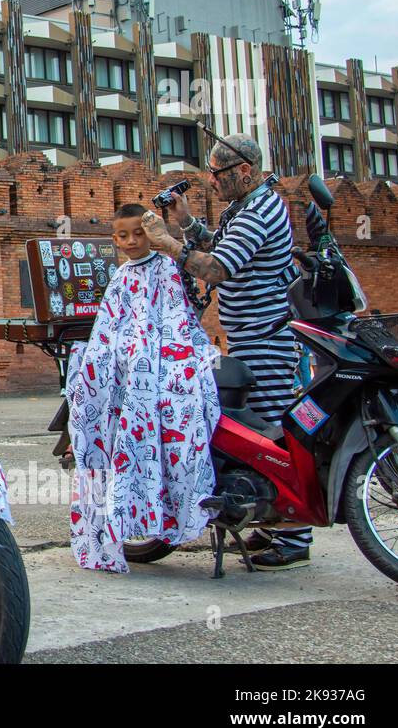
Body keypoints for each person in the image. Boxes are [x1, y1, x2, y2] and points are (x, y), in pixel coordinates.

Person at [141, 133, 311, 569]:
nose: (211, 181)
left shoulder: (259, 211)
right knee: (255, 430)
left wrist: (168, 242)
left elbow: (217, 267)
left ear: (245, 172)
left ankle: (294, 541)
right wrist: (188, 223)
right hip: (252, 335)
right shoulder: (248, 207)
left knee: (272, 431)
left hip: (266, 338)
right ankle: (273, 525)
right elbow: (220, 245)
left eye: (217, 174)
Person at [65, 204, 220, 572]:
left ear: (151, 233)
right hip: (124, 364)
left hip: (164, 359)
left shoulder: (167, 268)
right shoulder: (120, 276)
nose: (132, 241)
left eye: (139, 233)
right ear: (114, 239)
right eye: (123, 235)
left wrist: (149, 354)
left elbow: (173, 321)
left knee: (178, 407)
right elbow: (110, 326)